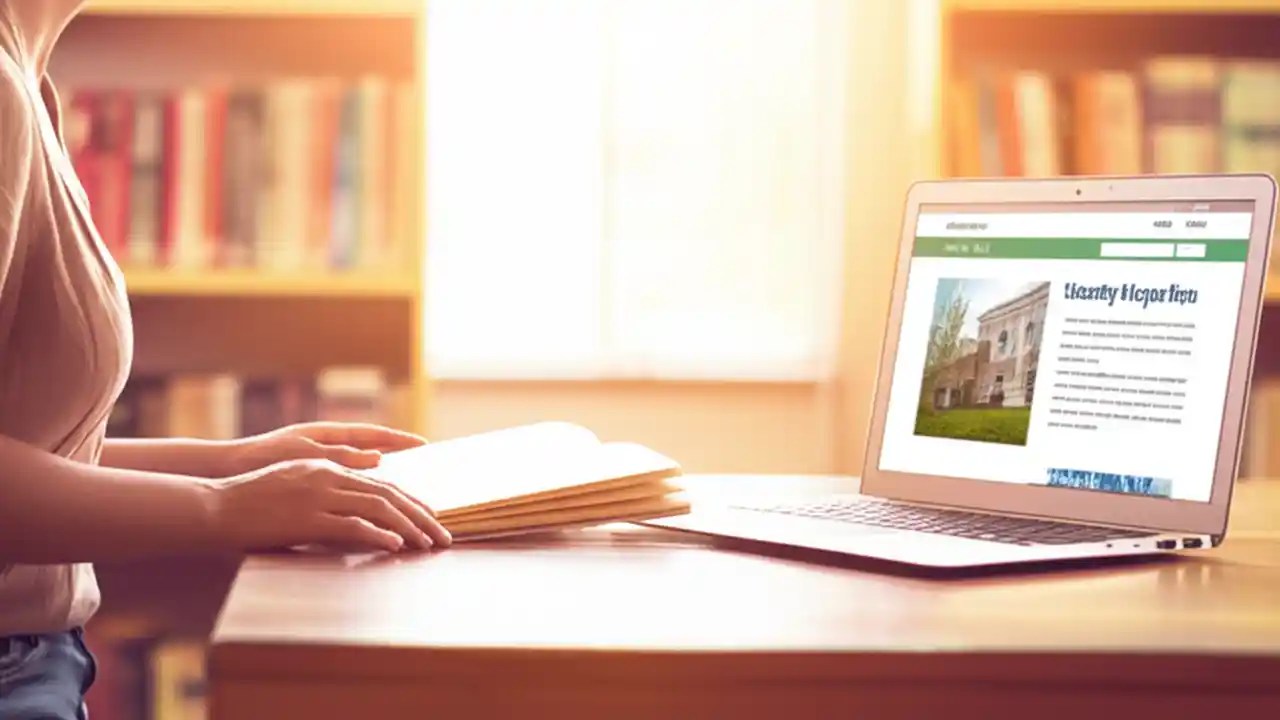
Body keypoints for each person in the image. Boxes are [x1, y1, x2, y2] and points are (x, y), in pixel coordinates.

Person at [0, 2, 451, 717]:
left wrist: (231, 463)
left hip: (37, 655)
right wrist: (222, 508)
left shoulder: (32, 83)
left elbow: (31, 448)